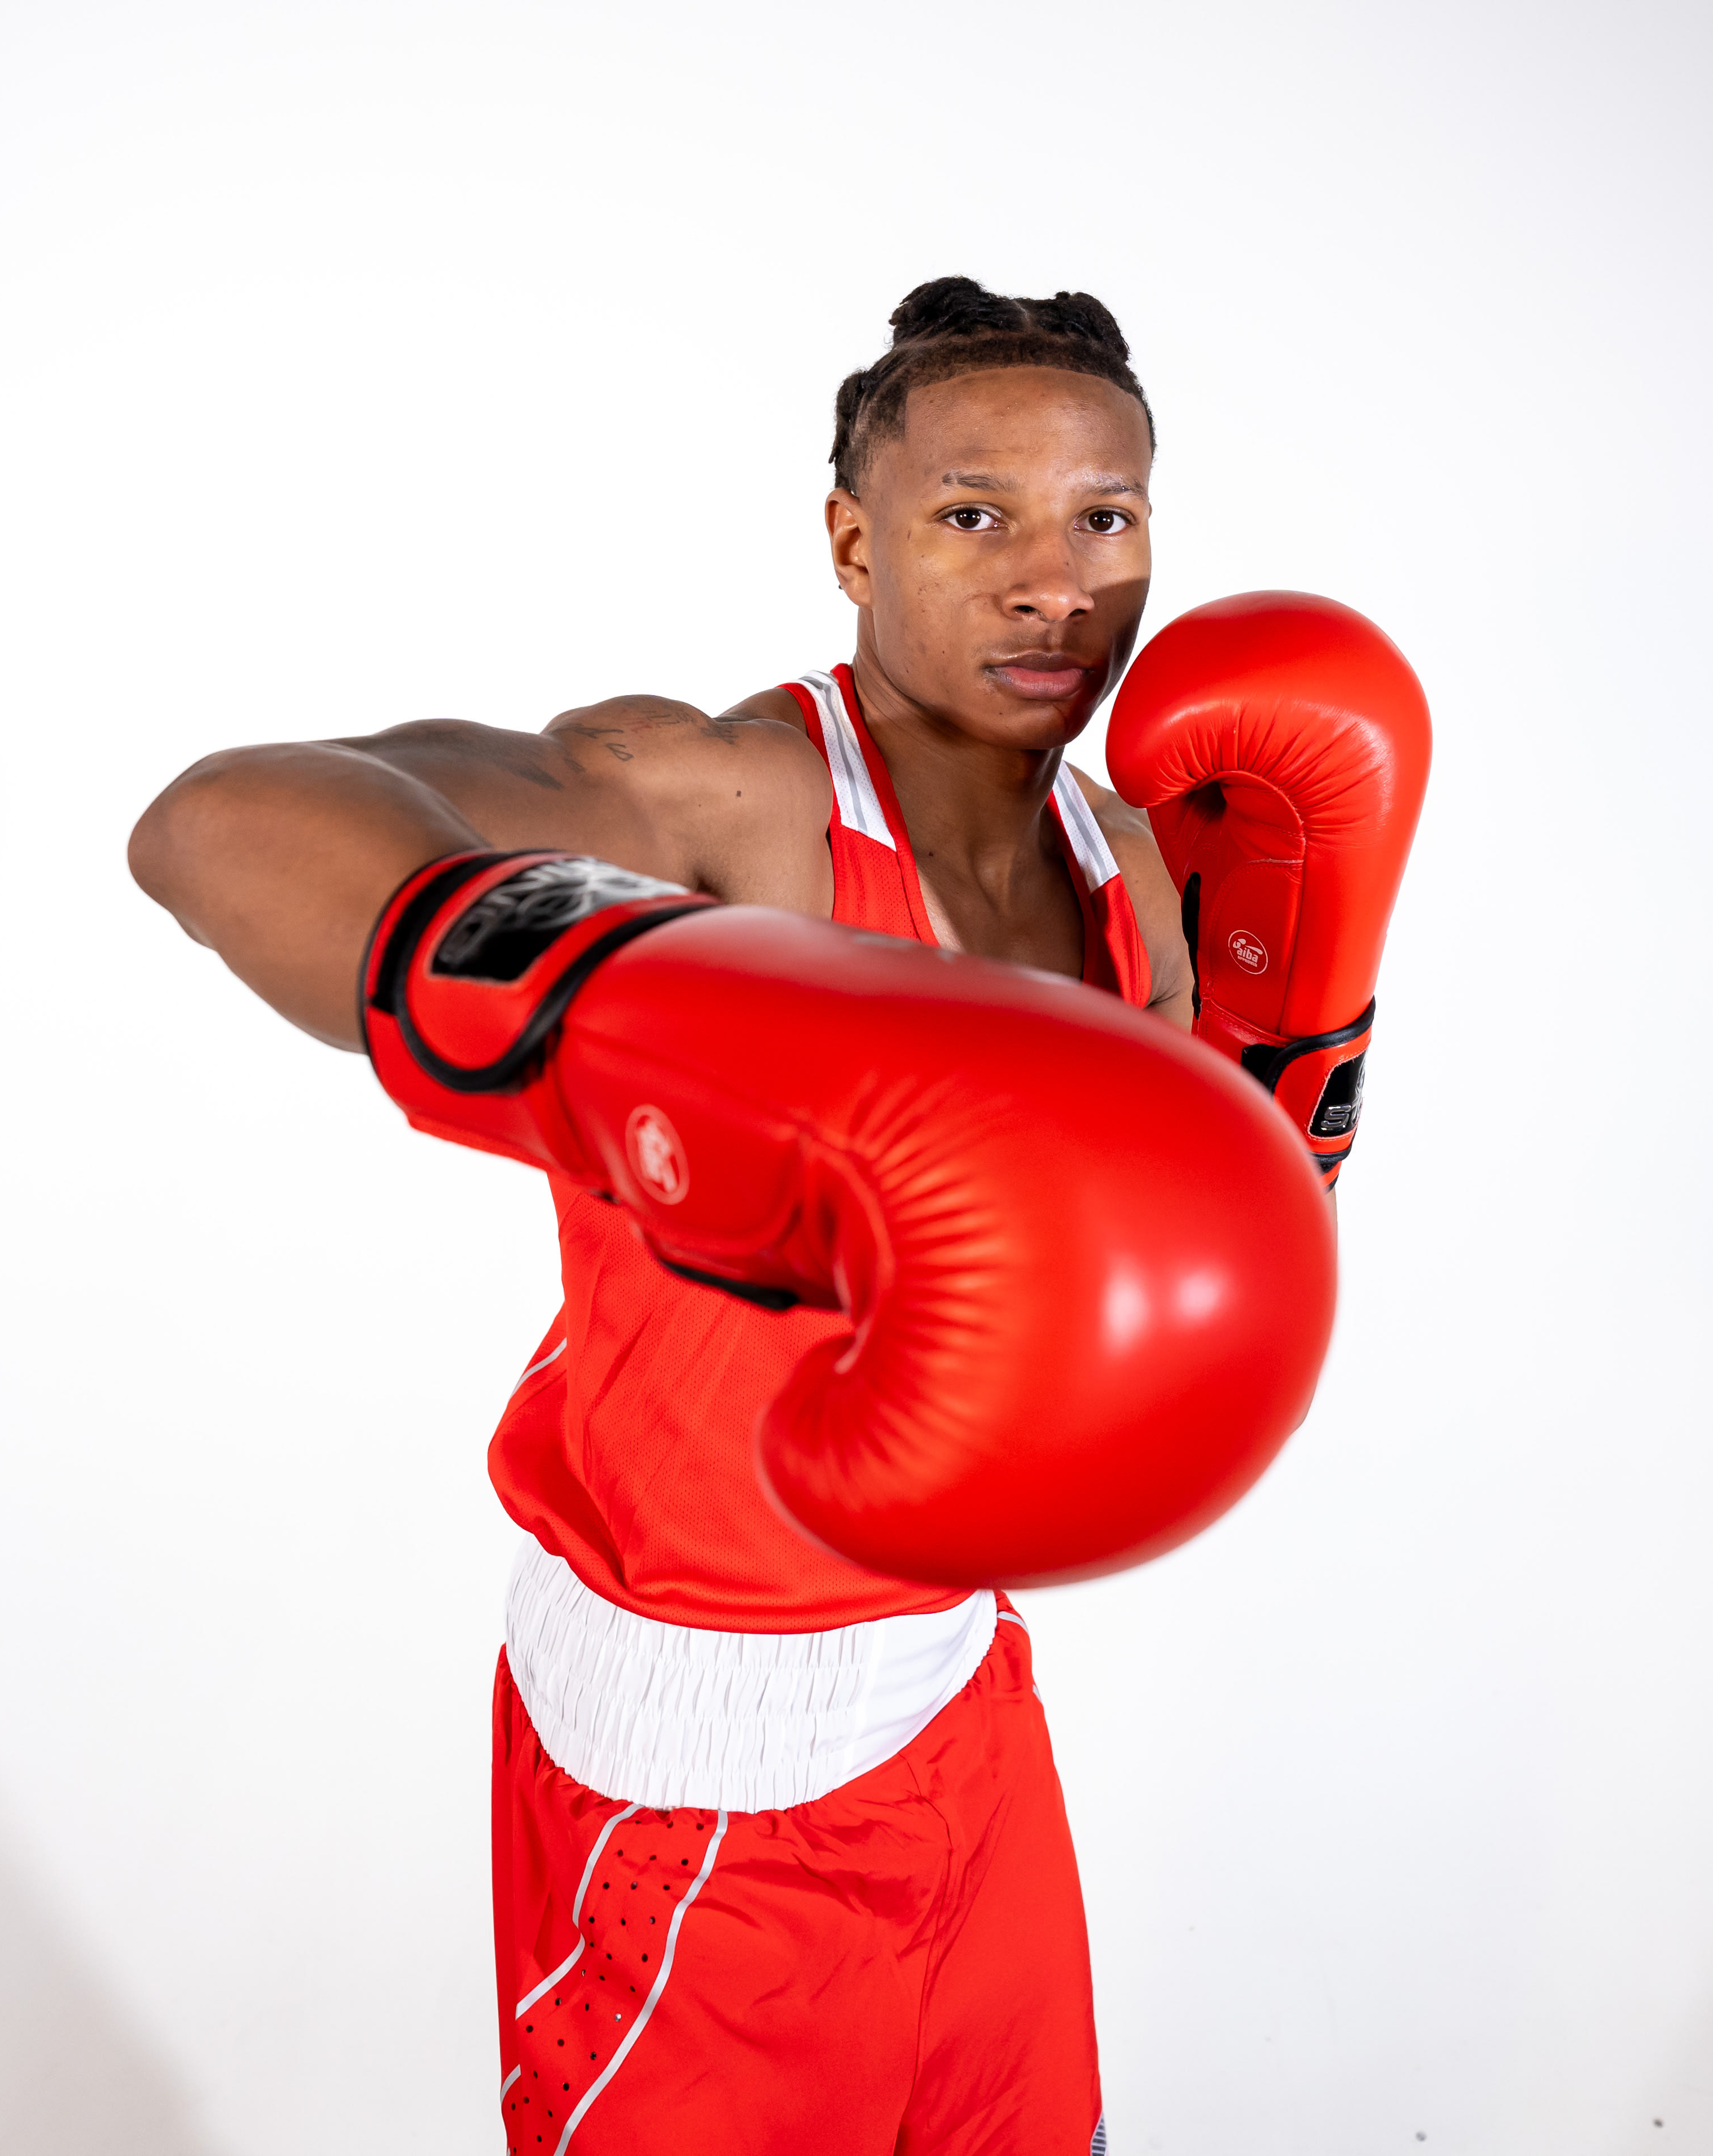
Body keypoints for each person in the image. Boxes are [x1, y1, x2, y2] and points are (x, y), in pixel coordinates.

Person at [130, 276, 1414, 2154]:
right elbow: (217, 826)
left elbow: (1223, 1255)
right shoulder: (723, 799)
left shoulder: (1134, 860)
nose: (1049, 582)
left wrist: (1293, 1016)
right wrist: (630, 996)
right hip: (688, 1767)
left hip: (956, 1703)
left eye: (1102, 518)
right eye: (971, 513)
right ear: (853, 542)